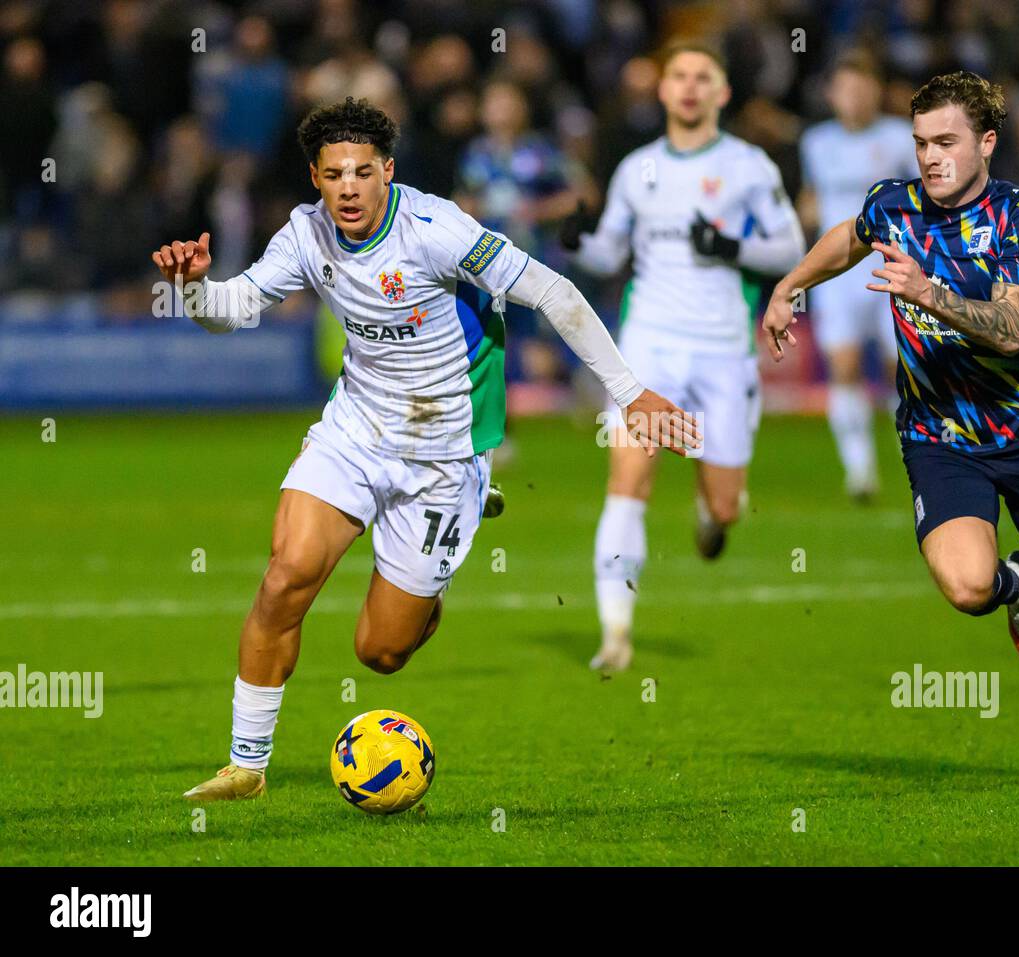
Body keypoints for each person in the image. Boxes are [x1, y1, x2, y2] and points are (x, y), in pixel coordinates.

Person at [152, 97, 697, 801]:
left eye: (361, 172)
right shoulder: (305, 233)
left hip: (442, 453)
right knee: (285, 575)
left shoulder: (438, 229)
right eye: (332, 174)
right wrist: (195, 289)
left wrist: (630, 392)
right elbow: (233, 311)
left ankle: (453, 537)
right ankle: (246, 764)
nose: (347, 187)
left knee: (380, 652)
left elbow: (555, 293)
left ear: (387, 171)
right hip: (355, 431)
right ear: (315, 178)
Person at [762, 72, 1019, 783]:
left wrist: (928, 291)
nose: (930, 157)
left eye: (946, 142)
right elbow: (850, 237)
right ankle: (1016, 589)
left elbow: (1015, 328)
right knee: (967, 587)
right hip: (938, 435)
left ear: (986, 143)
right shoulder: (892, 204)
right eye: (921, 142)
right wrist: (790, 287)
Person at [561, 43, 805, 672]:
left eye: (704, 78)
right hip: (648, 347)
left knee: (726, 507)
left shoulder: (749, 166)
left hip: (724, 349)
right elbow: (608, 255)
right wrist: (578, 240)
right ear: (663, 90)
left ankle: (712, 511)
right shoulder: (636, 169)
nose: (690, 88)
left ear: (722, 94)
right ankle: (615, 633)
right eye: (679, 77)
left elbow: (790, 248)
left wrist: (728, 246)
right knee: (628, 482)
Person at [798, 51, 915, 500]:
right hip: (837, 275)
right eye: (846, 89)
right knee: (843, 367)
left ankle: (916, 460)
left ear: (877, 93)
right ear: (832, 95)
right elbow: (810, 199)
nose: (854, 98)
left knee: (898, 371)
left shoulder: (901, 139)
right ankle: (860, 472)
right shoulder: (816, 142)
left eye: (863, 89)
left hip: (891, 268)